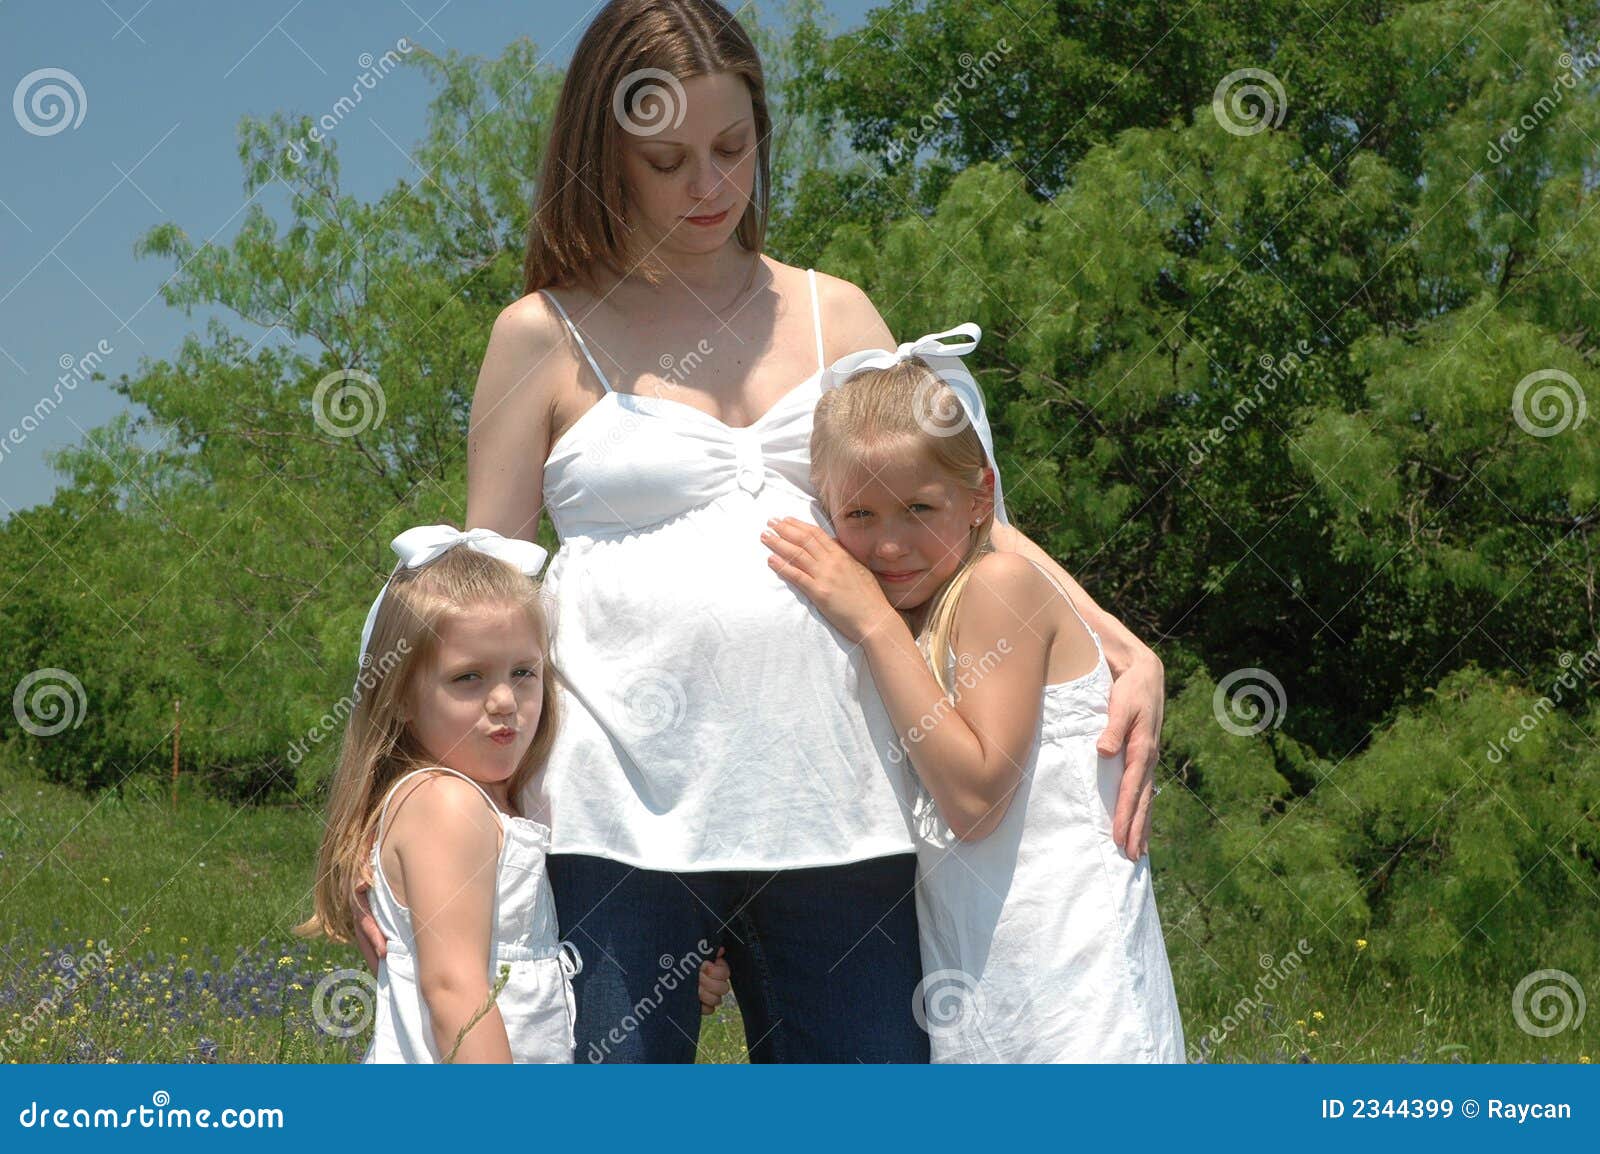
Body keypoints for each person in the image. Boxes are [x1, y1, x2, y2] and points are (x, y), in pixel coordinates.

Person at [359, 0, 1166, 1063]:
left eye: (732, 148)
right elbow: (467, 610)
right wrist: (378, 805)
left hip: (846, 808)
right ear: (604, 159)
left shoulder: (842, 313)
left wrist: (1119, 638)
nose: (708, 186)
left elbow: (969, 518)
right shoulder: (540, 335)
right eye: (667, 159)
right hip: (614, 823)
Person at [757, 328, 1185, 1061]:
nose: (888, 545)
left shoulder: (999, 587)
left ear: (981, 496)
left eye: (919, 509)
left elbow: (978, 800)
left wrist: (866, 619)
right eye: (859, 516)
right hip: (993, 1004)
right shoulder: (927, 614)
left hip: (1077, 1008)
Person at [297, 525, 581, 1062]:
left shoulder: (477, 797)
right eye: (468, 678)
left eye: (524, 672)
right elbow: (455, 993)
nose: (504, 699)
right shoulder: (448, 805)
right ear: (400, 696)